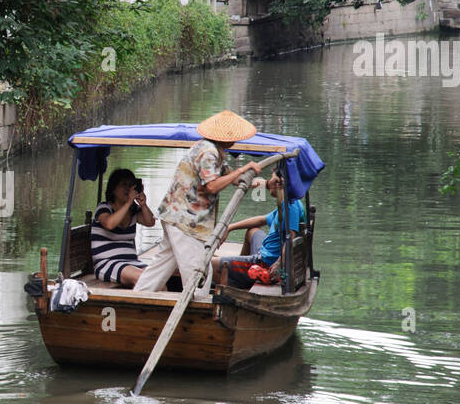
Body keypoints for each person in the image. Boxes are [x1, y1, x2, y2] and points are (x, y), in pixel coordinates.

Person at [133, 110, 261, 295]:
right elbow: (213, 186)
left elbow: (232, 179)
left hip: (177, 218)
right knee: (199, 272)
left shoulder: (215, 152)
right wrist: (244, 168)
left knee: (160, 267)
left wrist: (261, 183)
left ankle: (137, 297)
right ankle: (198, 310)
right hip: (185, 221)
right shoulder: (208, 152)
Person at [213, 170, 306, 281]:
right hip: (265, 251)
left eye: (271, 178)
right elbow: (261, 220)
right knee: (252, 231)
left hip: (265, 262)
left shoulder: (291, 207)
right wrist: (230, 227)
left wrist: (279, 263)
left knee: (211, 265)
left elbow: (289, 238)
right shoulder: (286, 203)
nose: (268, 183)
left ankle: (239, 280)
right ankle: (240, 266)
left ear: (278, 183)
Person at [91, 168, 155, 287]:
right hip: (107, 264)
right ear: (113, 188)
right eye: (124, 185)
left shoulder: (133, 210)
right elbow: (110, 224)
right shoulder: (104, 208)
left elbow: (150, 222)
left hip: (132, 263)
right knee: (144, 279)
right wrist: (129, 202)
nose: (128, 189)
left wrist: (143, 204)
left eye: (131, 185)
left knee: (157, 278)